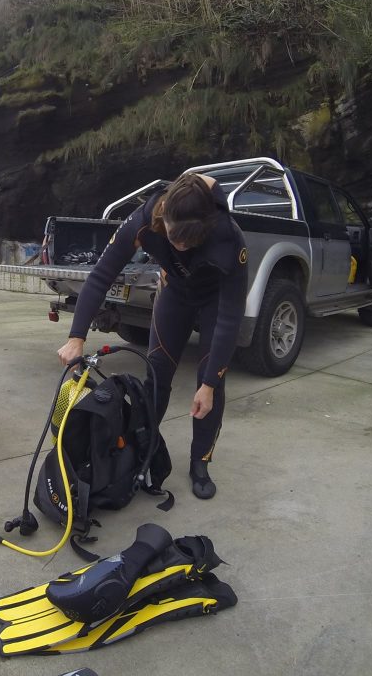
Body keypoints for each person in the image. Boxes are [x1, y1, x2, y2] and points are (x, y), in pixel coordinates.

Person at [57, 172, 248, 499]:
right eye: (174, 239)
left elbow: (231, 317)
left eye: (190, 242)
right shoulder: (145, 218)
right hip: (174, 292)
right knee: (157, 374)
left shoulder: (229, 239)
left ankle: (199, 462)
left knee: (209, 381)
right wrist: (77, 336)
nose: (181, 247)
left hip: (215, 300)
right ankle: (144, 453)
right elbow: (102, 275)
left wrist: (209, 385)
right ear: (165, 217)